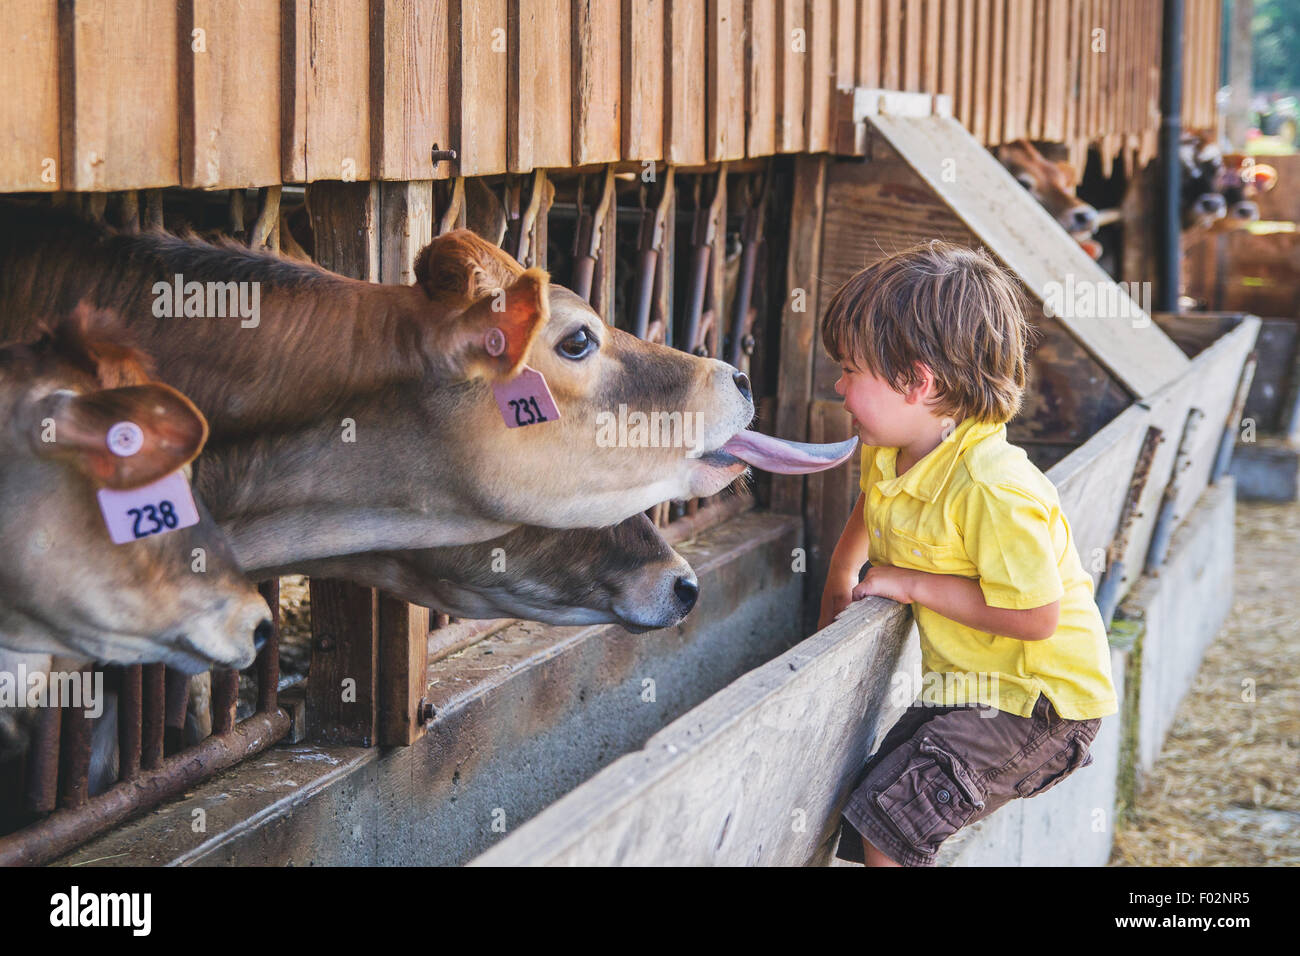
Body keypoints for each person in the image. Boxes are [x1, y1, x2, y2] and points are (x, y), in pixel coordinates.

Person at [817, 239, 1118, 867]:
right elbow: (862, 529)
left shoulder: (991, 486)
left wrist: (910, 584)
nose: (839, 388)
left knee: (886, 823)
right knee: (868, 801)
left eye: (850, 370)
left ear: (917, 382)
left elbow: (1038, 617)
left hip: (1039, 706)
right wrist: (836, 606)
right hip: (969, 687)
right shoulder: (891, 451)